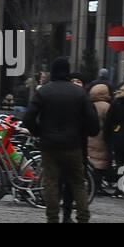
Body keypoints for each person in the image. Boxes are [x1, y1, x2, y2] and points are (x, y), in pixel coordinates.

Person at [21, 56, 99, 224]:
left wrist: (39, 132)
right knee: (78, 183)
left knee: (51, 183)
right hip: (73, 145)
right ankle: (83, 218)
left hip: (49, 145)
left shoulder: (43, 91)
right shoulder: (79, 93)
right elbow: (92, 121)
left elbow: (27, 118)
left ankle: (53, 218)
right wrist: (86, 132)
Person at [87, 83, 113, 193]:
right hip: (102, 137)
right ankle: (98, 186)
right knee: (101, 161)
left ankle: (92, 185)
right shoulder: (107, 107)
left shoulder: (90, 104)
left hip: (91, 136)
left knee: (92, 160)